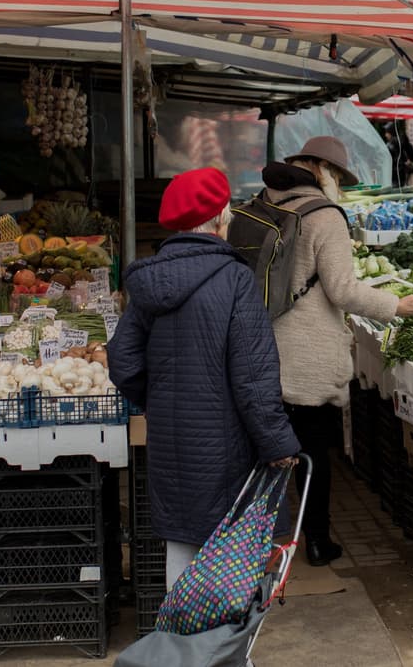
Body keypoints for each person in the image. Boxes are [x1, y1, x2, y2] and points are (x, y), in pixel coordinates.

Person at [108, 167, 301, 590]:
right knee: (232, 553)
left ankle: (181, 644)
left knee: (181, 540)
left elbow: (122, 361)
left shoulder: (148, 281)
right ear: (221, 219)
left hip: (170, 438)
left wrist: (161, 398)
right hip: (228, 440)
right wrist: (277, 443)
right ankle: (225, 652)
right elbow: (253, 376)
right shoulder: (235, 279)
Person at [264, 136, 413, 566]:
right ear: (320, 168)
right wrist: (395, 305)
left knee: (273, 447)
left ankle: (267, 542)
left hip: (261, 346)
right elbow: (342, 289)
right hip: (307, 350)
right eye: (335, 173)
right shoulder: (324, 215)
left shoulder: (264, 202)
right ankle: (316, 541)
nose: (337, 182)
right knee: (314, 449)